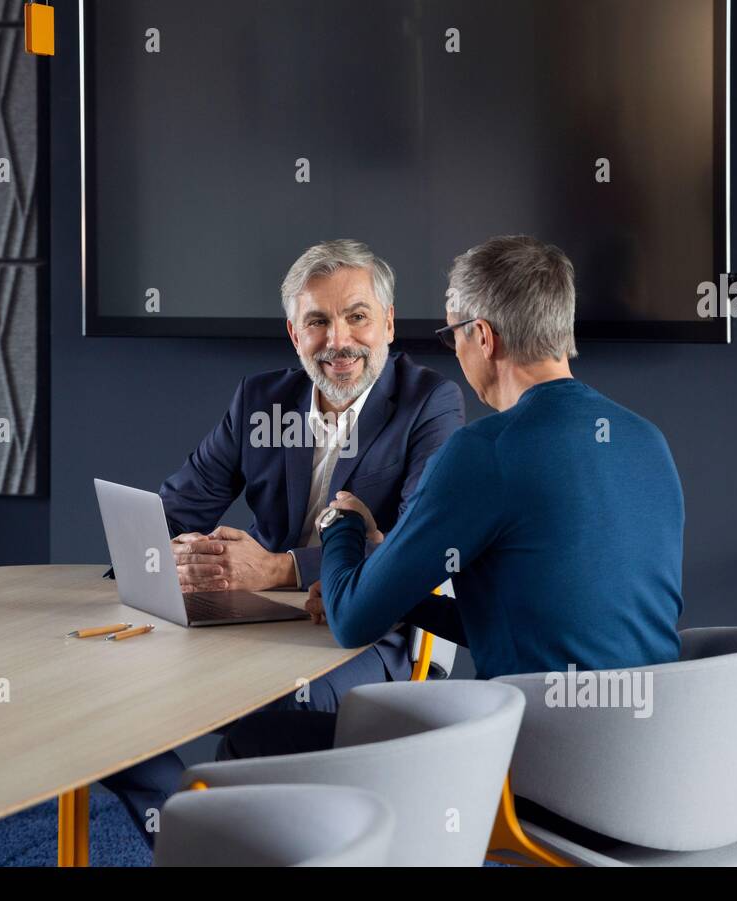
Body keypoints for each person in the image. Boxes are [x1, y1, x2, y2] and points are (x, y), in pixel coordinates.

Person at [219, 234, 684, 762]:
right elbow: (539, 625)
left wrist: (341, 523)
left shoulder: (486, 451)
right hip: (651, 760)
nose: (455, 352)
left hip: (539, 762)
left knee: (251, 740)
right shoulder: (647, 440)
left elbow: (349, 623)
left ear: (481, 336)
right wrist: (395, 593)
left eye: (452, 335)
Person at [100, 239, 464, 842]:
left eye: (357, 316)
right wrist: (168, 556)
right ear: (295, 335)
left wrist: (279, 568)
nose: (338, 340)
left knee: (274, 713)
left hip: (380, 629)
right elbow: (177, 509)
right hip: (257, 619)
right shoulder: (259, 400)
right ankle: (196, 837)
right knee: (108, 703)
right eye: (317, 322)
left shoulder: (429, 402)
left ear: (389, 324)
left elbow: (414, 550)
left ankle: (216, 838)